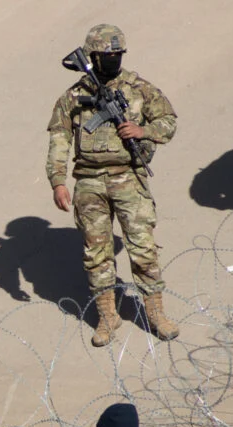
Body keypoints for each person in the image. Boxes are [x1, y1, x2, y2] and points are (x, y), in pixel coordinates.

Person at [47, 24, 179, 347]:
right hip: (89, 181)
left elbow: (168, 120)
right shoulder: (75, 97)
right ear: (92, 57)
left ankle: (155, 313)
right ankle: (108, 315)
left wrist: (142, 132)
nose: (114, 60)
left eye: (117, 55)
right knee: (96, 252)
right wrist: (57, 182)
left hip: (127, 177)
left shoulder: (138, 89)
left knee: (143, 247)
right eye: (107, 55)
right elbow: (59, 138)